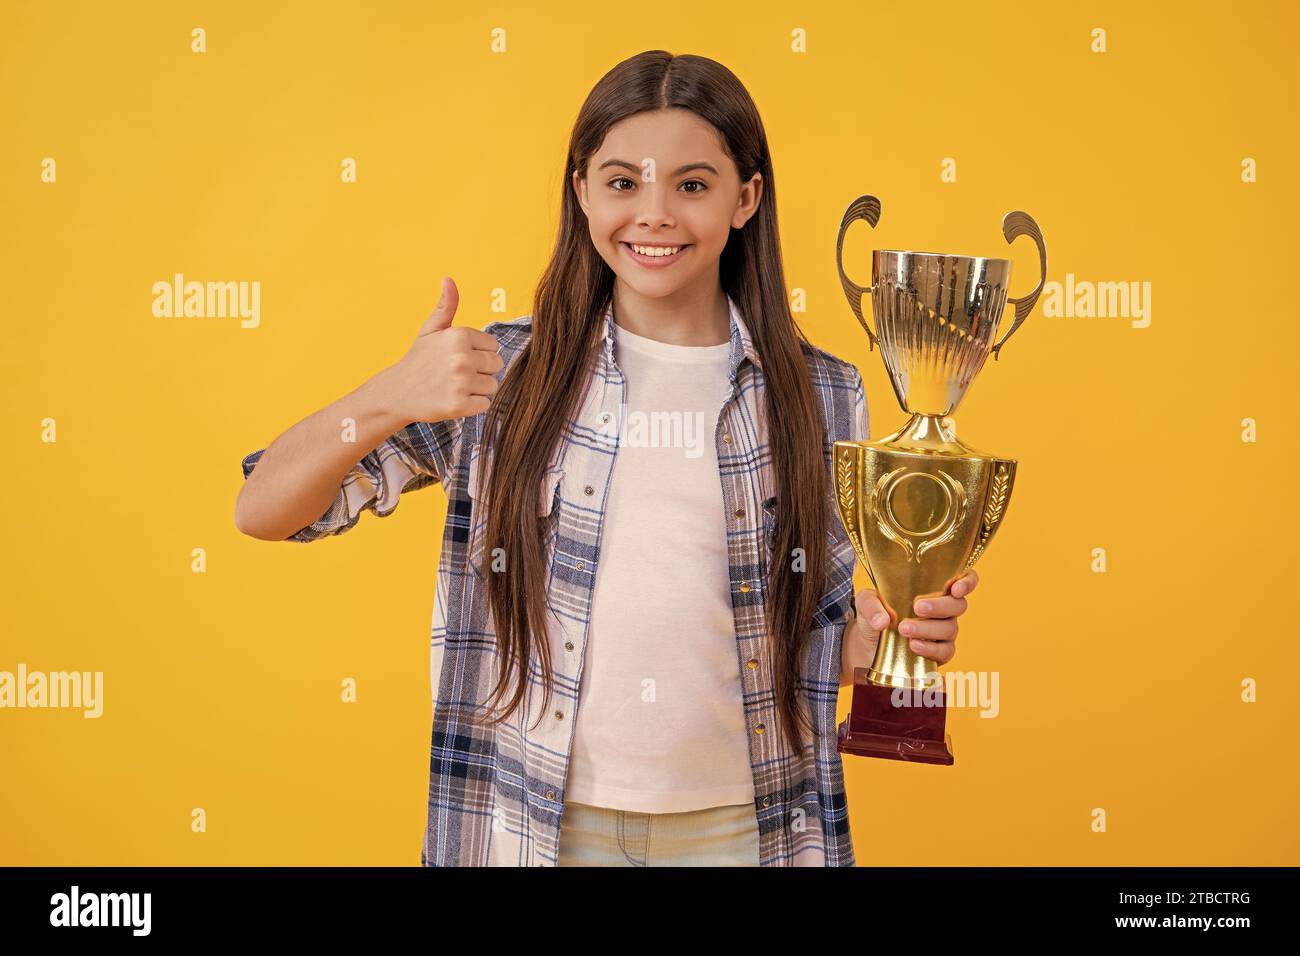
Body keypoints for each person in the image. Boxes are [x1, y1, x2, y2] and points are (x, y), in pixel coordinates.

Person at [235, 50, 978, 867]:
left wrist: (876, 646)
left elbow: (792, 642)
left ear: (746, 198)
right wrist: (390, 395)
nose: (654, 214)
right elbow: (264, 510)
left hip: (744, 831)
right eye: (624, 183)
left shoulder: (822, 393)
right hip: (532, 829)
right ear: (582, 191)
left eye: (691, 185)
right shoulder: (498, 376)